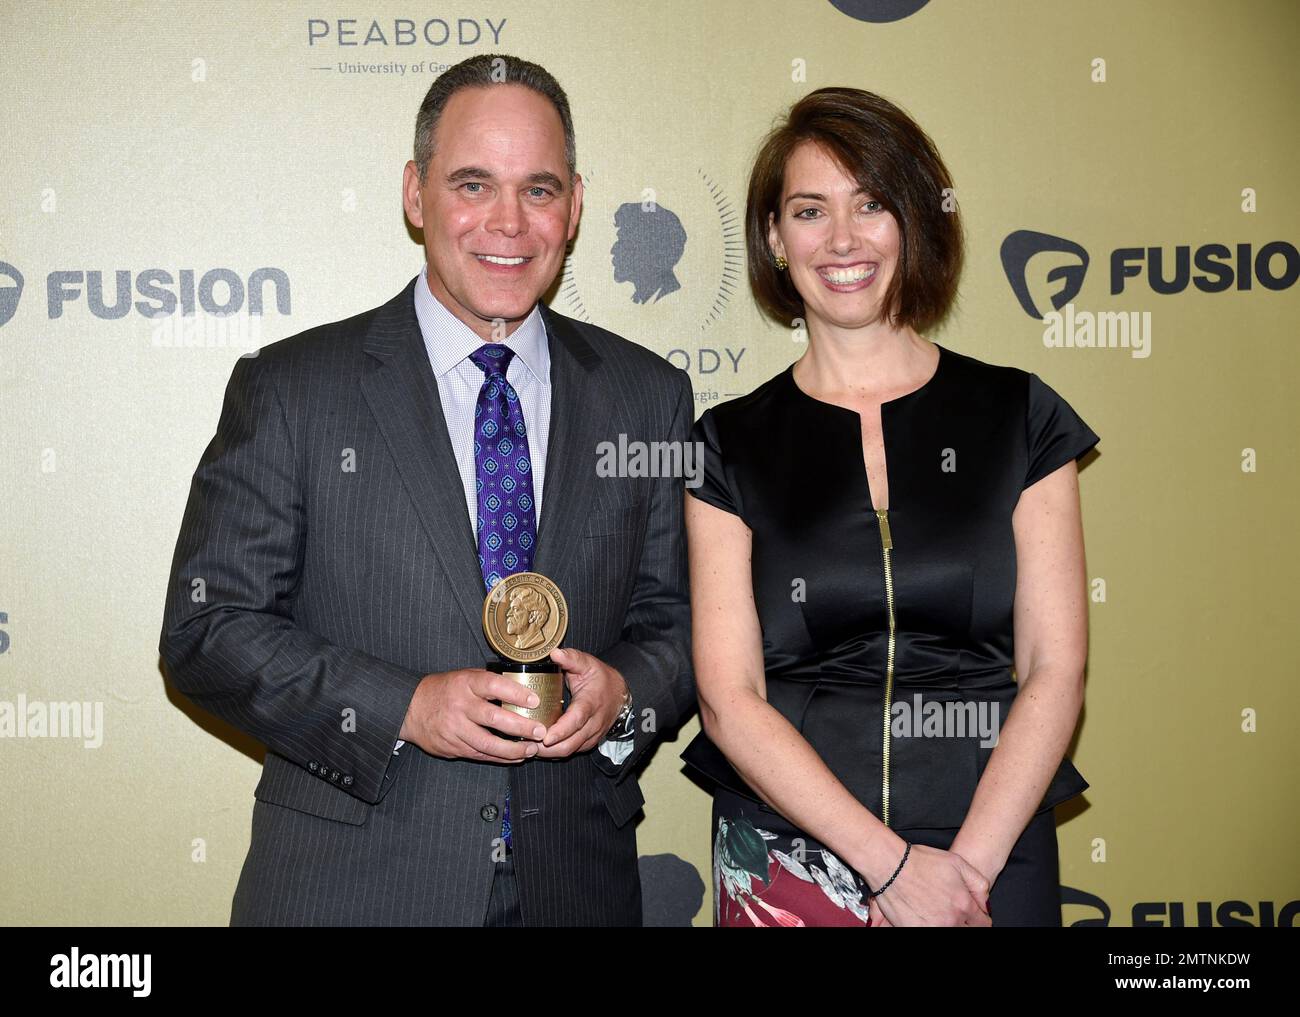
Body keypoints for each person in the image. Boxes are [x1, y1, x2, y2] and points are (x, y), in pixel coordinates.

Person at [159, 53, 694, 926]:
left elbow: (674, 625)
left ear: (578, 204)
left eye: (540, 189)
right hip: (353, 887)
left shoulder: (649, 397)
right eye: (473, 184)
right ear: (416, 193)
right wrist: (402, 707)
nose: (509, 224)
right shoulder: (294, 388)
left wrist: (624, 692)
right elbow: (205, 629)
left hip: (577, 886)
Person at [682, 87, 1098, 927]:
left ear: (913, 219)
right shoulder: (726, 442)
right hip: (789, 846)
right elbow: (730, 698)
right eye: (809, 210)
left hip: (992, 840)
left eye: (871, 204)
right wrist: (893, 866)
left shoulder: (1020, 415)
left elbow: (1057, 667)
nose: (842, 239)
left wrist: (963, 875)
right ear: (773, 236)